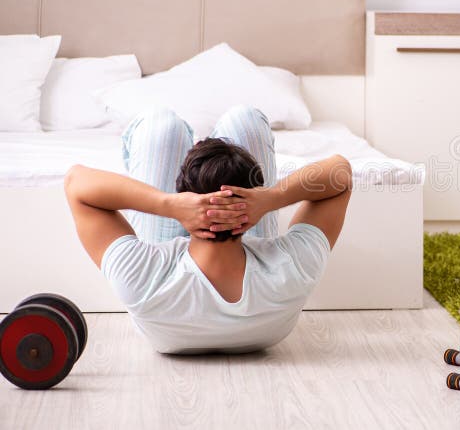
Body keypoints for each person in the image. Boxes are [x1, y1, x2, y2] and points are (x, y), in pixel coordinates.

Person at [64, 106, 352, 354]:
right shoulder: (293, 270)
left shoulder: (140, 276)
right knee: (246, 118)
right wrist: (271, 198)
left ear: (182, 193)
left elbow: (76, 182)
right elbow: (341, 172)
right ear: (253, 196)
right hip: (264, 278)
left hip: (166, 283)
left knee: (161, 125)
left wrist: (168, 204)